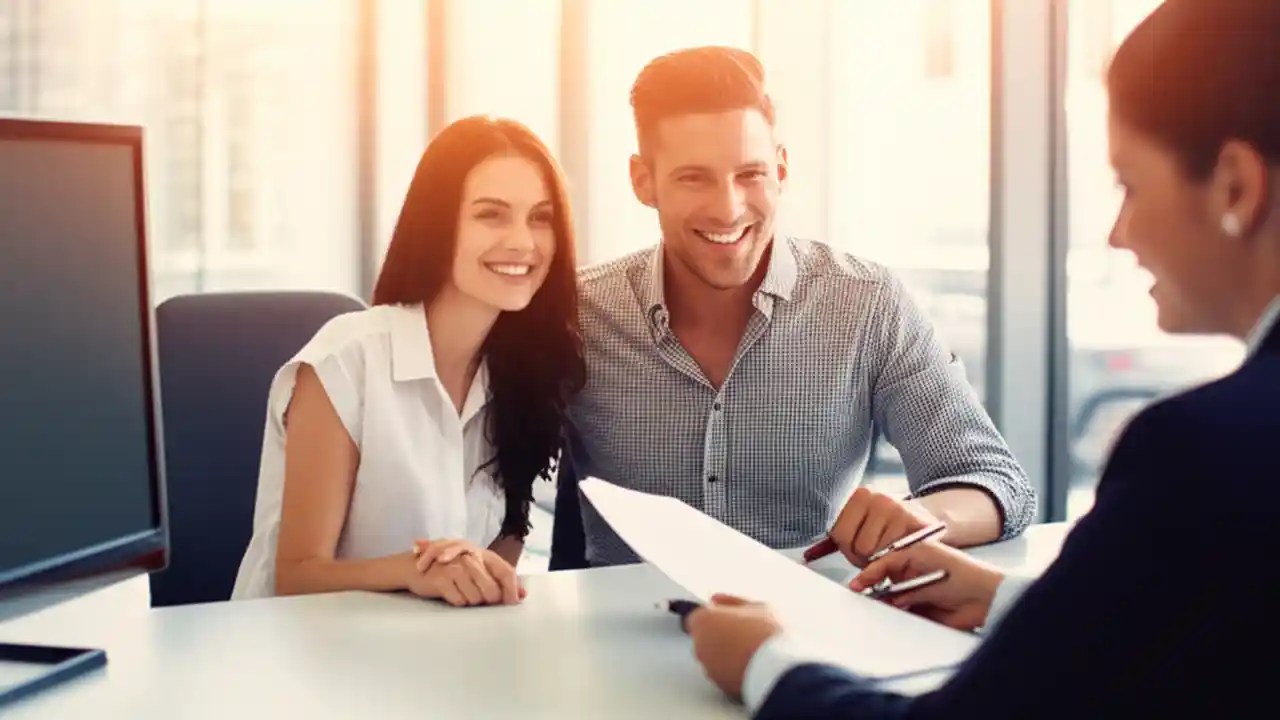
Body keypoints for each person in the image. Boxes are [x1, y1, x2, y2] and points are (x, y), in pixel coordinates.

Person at [685, 1, 1280, 716]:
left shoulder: (1198, 450)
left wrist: (766, 663)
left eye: (1129, 185)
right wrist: (1003, 598)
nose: (1119, 235)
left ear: (1236, 189)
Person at [553, 46, 1036, 570]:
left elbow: (996, 482)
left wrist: (925, 519)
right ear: (642, 180)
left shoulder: (865, 304)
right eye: (695, 178)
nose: (729, 207)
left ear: (781, 169)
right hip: (619, 639)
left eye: (750, 174)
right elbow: (488, 482)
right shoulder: (579, 315)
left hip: (807, 635)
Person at [232, 116, 585, 606]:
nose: (523, 242)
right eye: (491, 215)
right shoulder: (347, 360)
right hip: (303, 654)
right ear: (439, 223)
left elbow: (498, 555)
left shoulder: (522, 378)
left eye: (540, 218)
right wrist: (420, 570)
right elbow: (297, 577)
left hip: (433, 657)